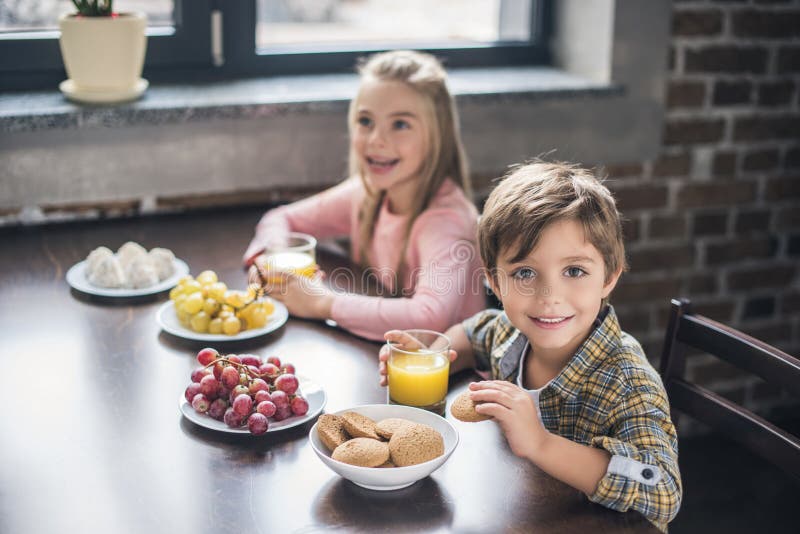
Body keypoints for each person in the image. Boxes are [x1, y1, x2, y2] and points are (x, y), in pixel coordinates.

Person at [379, 161, 682, 532]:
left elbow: (663, 489)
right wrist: (430, 357)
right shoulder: (511, 333)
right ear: (494, 280)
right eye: (524, 272)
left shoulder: (628, 383)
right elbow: (474, 333)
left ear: (609, 277)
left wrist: (540, 444)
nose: (549, 297)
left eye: (574, 271)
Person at [243, 50, 485, 341]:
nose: (376, 140)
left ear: (438, 135)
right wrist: (274, 264)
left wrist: (322, 303)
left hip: (455, 377)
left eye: (400, 124)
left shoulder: (446, 220)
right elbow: (281, 218)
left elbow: (429, 317)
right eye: (365, 121)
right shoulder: (367, 192)